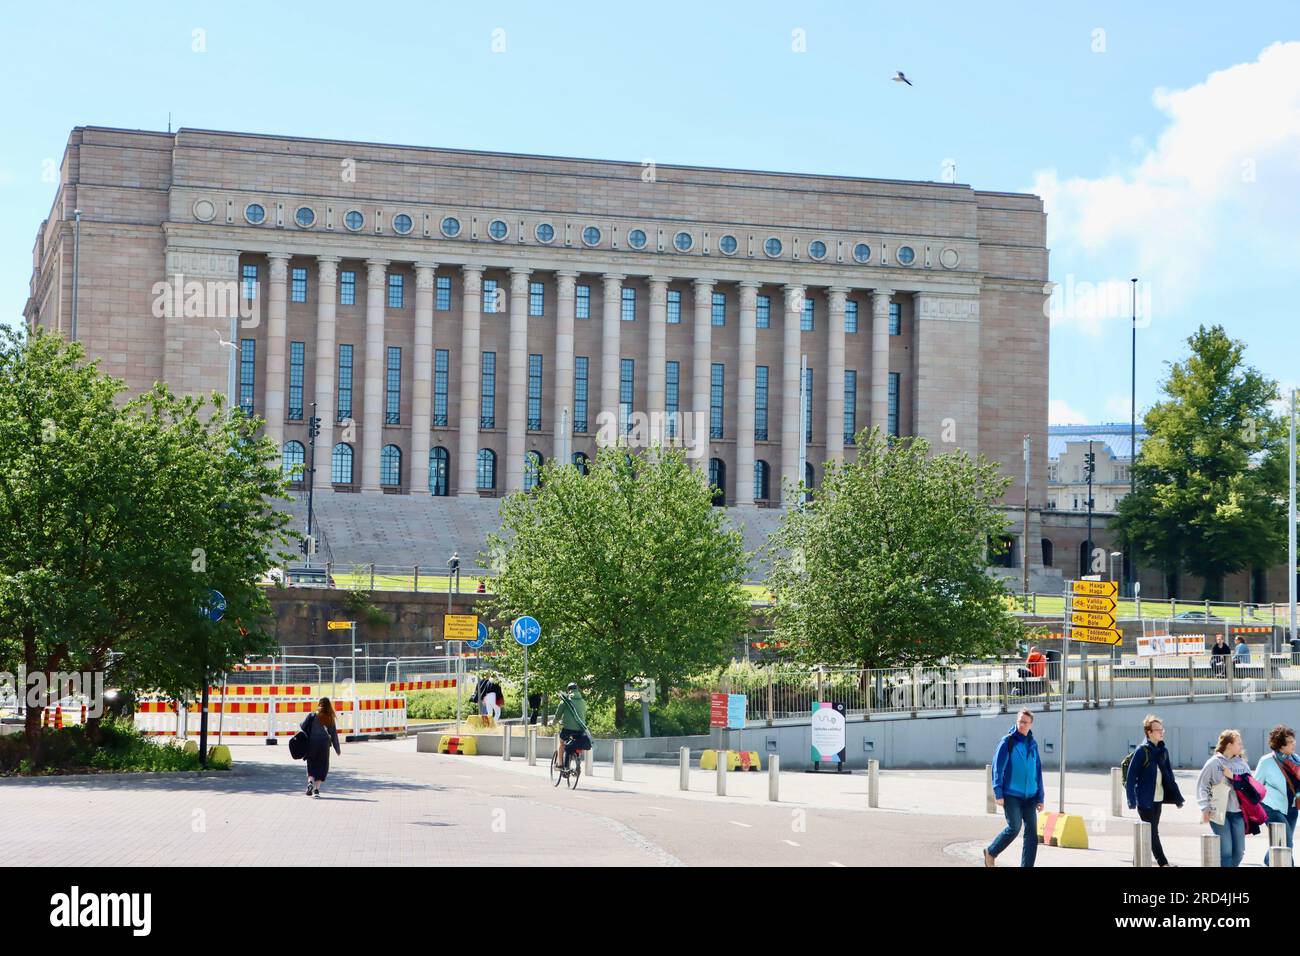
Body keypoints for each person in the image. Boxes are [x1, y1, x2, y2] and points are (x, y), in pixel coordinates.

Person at [984, 709, 1045, 868]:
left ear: (1031, 724)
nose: (1022, 725)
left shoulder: (1033, 744)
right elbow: (997, 768)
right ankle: (991, 852)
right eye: (1020, 721)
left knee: (1032, 835)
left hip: (1030, 797)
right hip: (1011, 795)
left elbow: (1037, 771)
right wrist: (998, 792)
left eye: (1025, 722)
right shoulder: (1007, 742)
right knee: (1014, 827)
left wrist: (1040, 797)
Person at [1124, 715, 1185, 867]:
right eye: (1158, 730)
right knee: (1152, 833)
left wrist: (1177, 797)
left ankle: (1137, 861)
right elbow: (1131, 777)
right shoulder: (1142, 751)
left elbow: (1169, 775)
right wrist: (1131, 799)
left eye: (1161, 729)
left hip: (1158, 798)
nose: (1161, 732)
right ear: (1149, 733)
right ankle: (1163, 864)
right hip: (1144, 799)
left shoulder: (1163, 751)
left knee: (1149, 832)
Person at [1197, 729, 1251, 867]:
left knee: (1239, 852)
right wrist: (1205, 807)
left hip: (1238, 812)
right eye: (1238, 743)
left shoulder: (1242, 764)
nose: (1241, 746)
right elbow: (1202, 786)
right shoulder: (1214, 763)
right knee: (1226, 851)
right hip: (1218, 812)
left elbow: (1251, 786)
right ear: (1229, 745)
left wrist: (1234, 777)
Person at [1255, 725, 1300, 866]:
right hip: (1271, 808)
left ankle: (1268, 862)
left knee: (1280, 842)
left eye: (1294, 741)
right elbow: (1256, 786)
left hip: (1292, 808)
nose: (1294, 744)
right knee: (1285, 841)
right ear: (1281, 745)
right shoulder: (1267, 761)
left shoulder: (1296, 759)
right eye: (1290, 742)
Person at [302, 697, 341, 797]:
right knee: (322, 766)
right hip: (324, 745)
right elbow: (333, 734)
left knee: (311, 765)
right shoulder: (330, 718)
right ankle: (316, 790)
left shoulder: (312, 715)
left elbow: (302, 726)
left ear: (319, 704)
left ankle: (310, 782)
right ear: (329, 706)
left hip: (312, 744)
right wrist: (337, 749)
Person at [553, 683, 592, 772]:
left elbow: (557, 716)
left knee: (562, 743)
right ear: (577, 690)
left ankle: (560, 764)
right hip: (580, 730)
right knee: (574, 744)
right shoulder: (583, 702)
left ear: (568, 690)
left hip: (567, 730)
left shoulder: (565, 701)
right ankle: (576, 758)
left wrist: (554, 723)